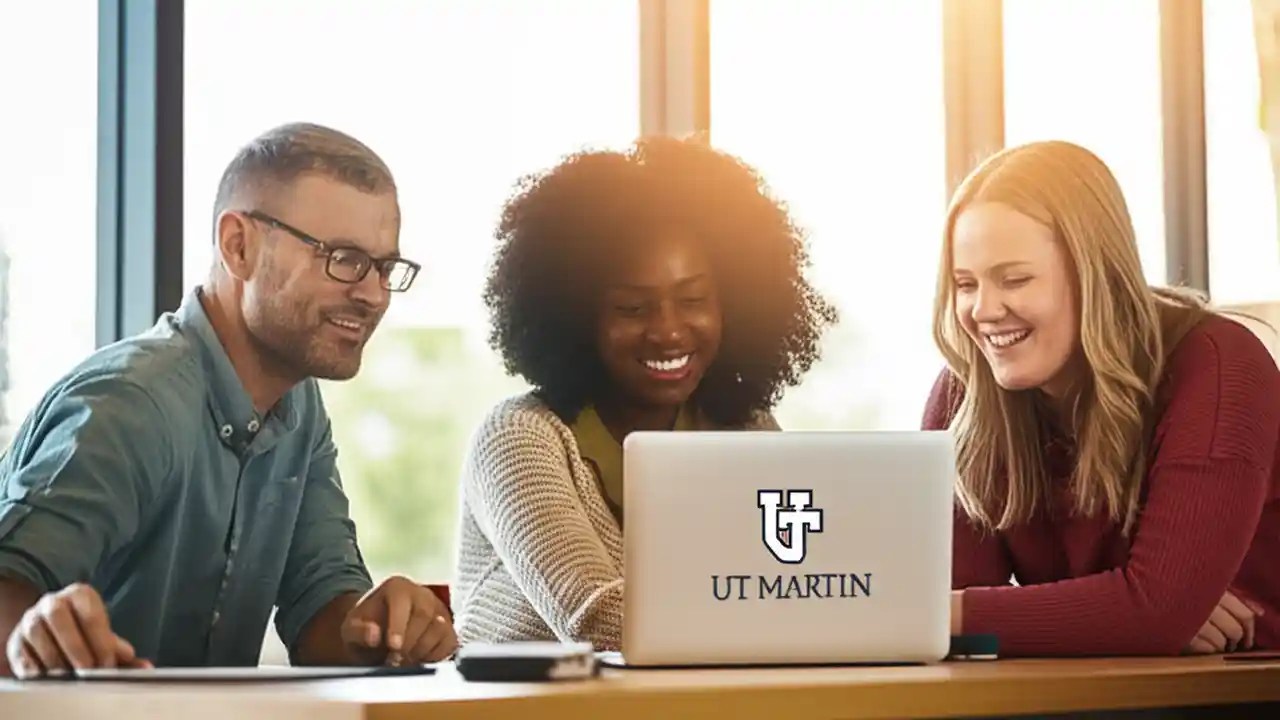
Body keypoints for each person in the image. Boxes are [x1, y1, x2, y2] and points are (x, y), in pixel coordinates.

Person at [0, 123, 457, 678]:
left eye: (384, 267)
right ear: (238, 246)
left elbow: (319, 615)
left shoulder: (300, 407)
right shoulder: (132, 403)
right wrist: (35, 627)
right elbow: (9, 593)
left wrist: (382, 625)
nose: (373, 294)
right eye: (343, 258)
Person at [454, 136, 838, 649]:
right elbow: (597, 619)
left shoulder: (746, 429)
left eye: (694, 299)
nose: (669, 331)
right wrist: (806, 626)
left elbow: (792, 586)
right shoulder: (518, 437)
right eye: (633, 309)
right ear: (576, 314)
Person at [924, 139, 1279, 657]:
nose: (984, 310)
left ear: (1097, 272)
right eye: (965, 284)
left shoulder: (1219, 365)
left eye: (1015, 279)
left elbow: (1151, 615)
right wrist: (1113, 614)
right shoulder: (966, 392)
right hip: (1088, 693)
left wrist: (1141, 613)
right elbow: (962, 632)